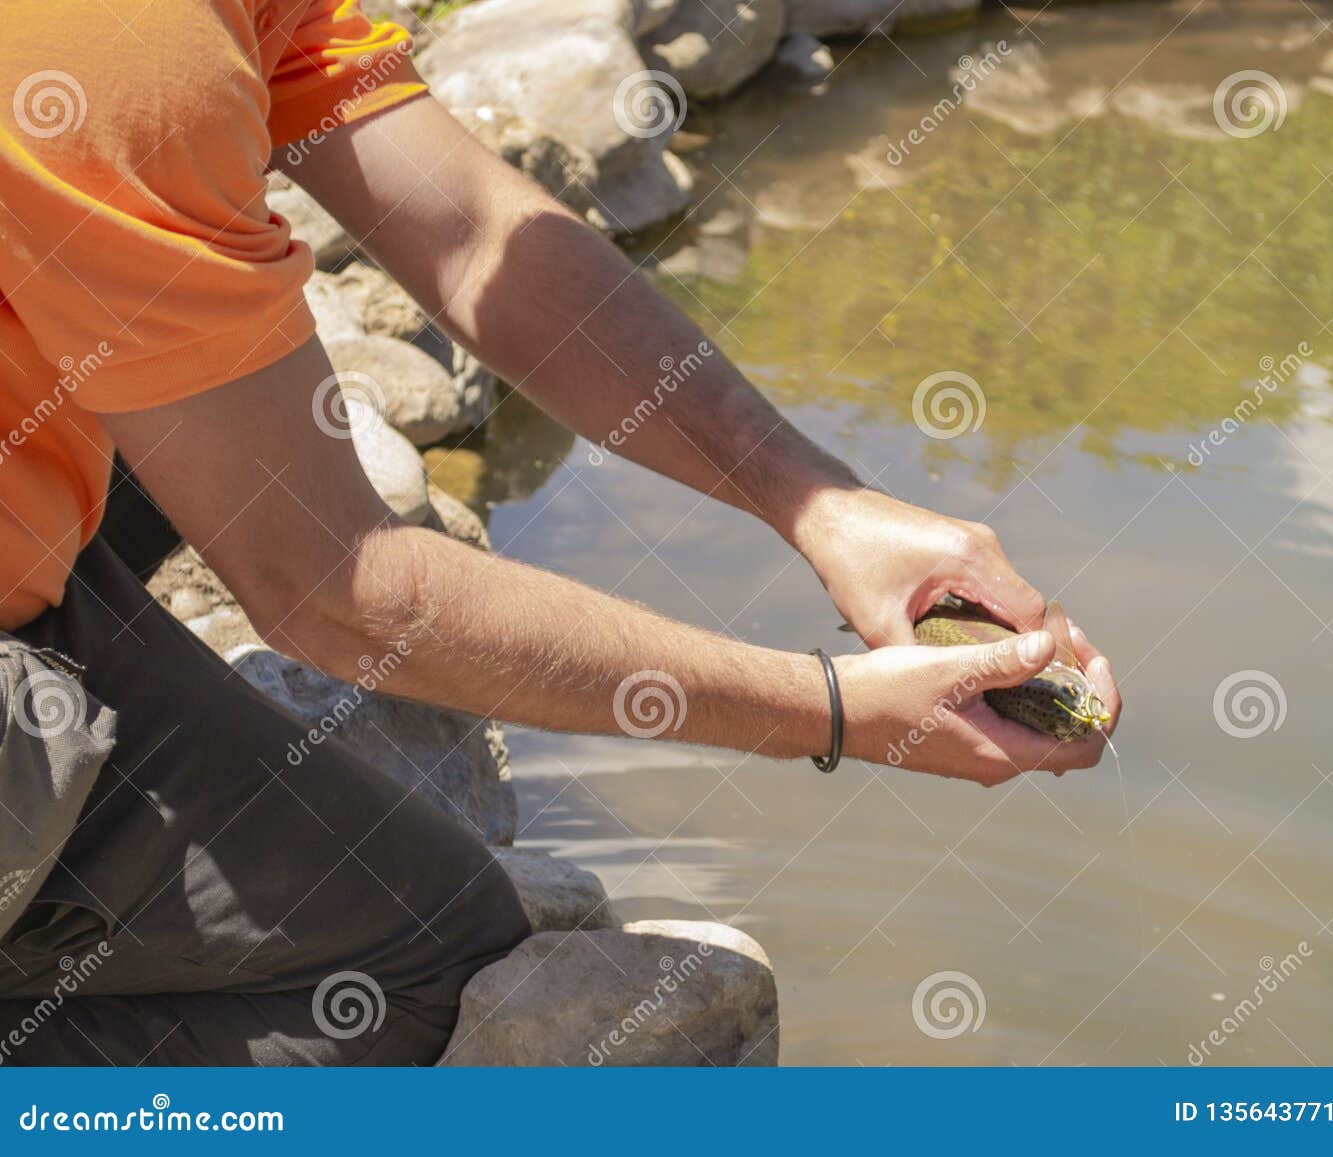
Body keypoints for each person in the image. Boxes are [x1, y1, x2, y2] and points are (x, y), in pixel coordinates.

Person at [0, 0, 1119, 1065]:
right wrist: (827, 709)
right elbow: (332, 583)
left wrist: (823, 503)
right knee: (411, 963)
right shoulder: (120, 42)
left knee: (169, 416)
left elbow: (479, 234)